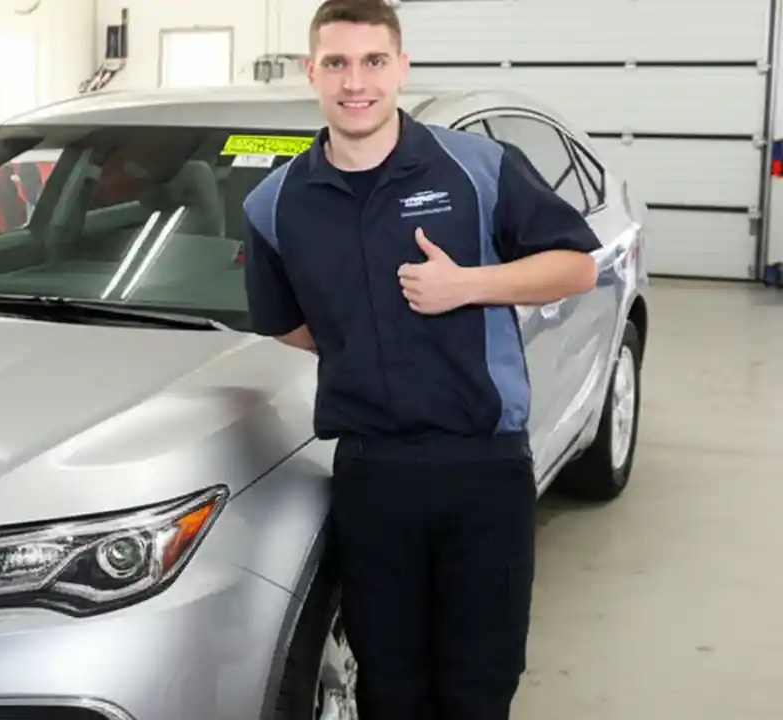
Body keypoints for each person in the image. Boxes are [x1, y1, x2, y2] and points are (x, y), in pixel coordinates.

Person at [241, 1, 601, 718]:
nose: (356, 82)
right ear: (311, 72)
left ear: (401, 67)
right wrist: (363, 340)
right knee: (388, 686)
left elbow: (575, 267)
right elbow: (287, 326)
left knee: (479, 686)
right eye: (337, 63)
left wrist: (467, 286)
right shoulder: (275, 204)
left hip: (483, 469)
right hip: (372, 474)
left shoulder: (478, 168)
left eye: (374, 61)